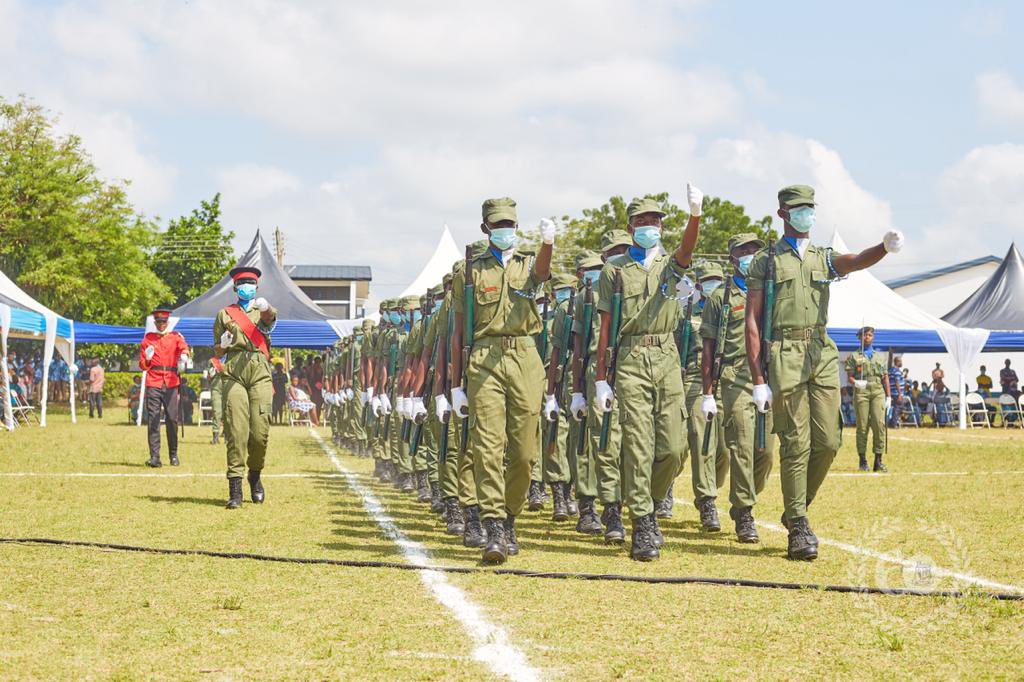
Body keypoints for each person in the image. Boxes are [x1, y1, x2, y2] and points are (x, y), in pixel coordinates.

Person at [745, 184, 904, 561]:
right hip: (783, 352)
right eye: (799, 209)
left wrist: (882, 247)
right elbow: (752, 321)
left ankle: (795, 508)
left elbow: (853, 261)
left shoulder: (822, 257)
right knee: (795, 443)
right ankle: (798, 524)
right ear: (783, 213)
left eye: (810, 209)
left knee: (830, 442)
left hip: (820, 350)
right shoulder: (766, 262)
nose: (806, 215)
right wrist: (758, 379)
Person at [593, 185, 704, 562]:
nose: (650, 226)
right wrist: (601, 378)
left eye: (655, 220)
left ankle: (652, 502)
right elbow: (606, 326)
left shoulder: (671, 266)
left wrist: (696, 216)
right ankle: (642, 521)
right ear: (630, 226)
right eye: (642, 221)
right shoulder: (614, 270)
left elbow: (688, 250)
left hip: (667, 355)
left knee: (673, 447)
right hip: (630, 358)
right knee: (638, 444)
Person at [449, 197, 554, 564]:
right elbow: (458, 331)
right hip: (484, 357)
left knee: (524, 453)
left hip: (525, 356)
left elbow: (542, 275)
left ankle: (510, 515)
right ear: (485, 229)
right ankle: (494, 525)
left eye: (509, 224)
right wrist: (455, 383)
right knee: (488, 445)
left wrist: (548, 244)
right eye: (498, 225)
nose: (505, 230)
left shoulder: (528, 264)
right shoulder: (471, 270)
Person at [700, 233, 776, 542]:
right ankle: (745, 511)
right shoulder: (721, 297)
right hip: (736, 376)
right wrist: (707, 392)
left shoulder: (771, 290)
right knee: (742, 446)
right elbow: (706, 347)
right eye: (742, 251)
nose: (749, 255)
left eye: (754, 250)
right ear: (732, 258)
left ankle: (744, 497)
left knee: (767, 453)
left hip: (769, 374)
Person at [214, 266, 277, 509]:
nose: (246, 287)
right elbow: (217, 351)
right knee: (236, 431)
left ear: (257, 287)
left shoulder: (263, 309)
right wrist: (222, 344)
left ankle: (255, 474)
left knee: (259, 433)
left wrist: (264, 307)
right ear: (235, 287)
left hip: (259, 372)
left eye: (251, 283)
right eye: (242, 283)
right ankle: (235, 489)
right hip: (234, 373)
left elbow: (270, 321)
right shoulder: (224, 314)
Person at [139, 306, 190, 467]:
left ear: (168, 322)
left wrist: (184, 356)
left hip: (171, 382)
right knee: (153, 419)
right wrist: (147, 358)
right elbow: (142, 365)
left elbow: (184, 348)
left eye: (164, 321)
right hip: (154, 381)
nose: (161, 324)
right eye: (158, 321)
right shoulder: (148, 339)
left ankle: (173, 454)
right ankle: (155, 457)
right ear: (155, 322)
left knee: (172, 419)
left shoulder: (175, 336)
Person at [845, 326, 891, 472]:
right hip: (862, 390)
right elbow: (849, 376)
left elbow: (885, 376)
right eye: (865, 335)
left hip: (878, 390)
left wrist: (889, 396)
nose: (868, 337)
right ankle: (862, 460)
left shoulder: (879, 356)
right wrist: (856, 382)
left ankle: (878, 460)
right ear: (860, 337)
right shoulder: (854, 356)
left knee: (879, 424)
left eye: (870, 335)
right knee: (863, 426)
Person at [208, 357, 225, 443]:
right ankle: (215, 436)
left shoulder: (231, 357)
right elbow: (209, 377)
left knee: (228, 412)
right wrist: (212, 370)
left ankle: (226, 435)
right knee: (216, 412)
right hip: (216, 389)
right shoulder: (212, 361)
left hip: (228, 388)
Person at [887, 355, 906, 426]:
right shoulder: (897, 371)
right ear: (897, 362)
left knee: (895, 408)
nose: (901, 363)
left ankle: (892, 422)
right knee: (898, 407)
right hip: (896, 393)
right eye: (900, 361)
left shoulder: (890, 370)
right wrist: (900, 394)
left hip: (892, 392)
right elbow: (897, 382)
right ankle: (893, 423)